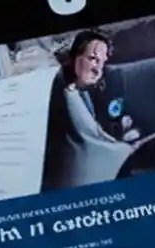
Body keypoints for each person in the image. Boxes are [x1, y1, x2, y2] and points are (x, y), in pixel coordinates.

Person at [41, 30, 137, 190]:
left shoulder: (83, 93)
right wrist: (124, 149)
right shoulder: (67, 92)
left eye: (102, 62)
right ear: (75, 58)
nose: (98, 70)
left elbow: (94, 130)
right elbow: (88, 135)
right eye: (92, 59)